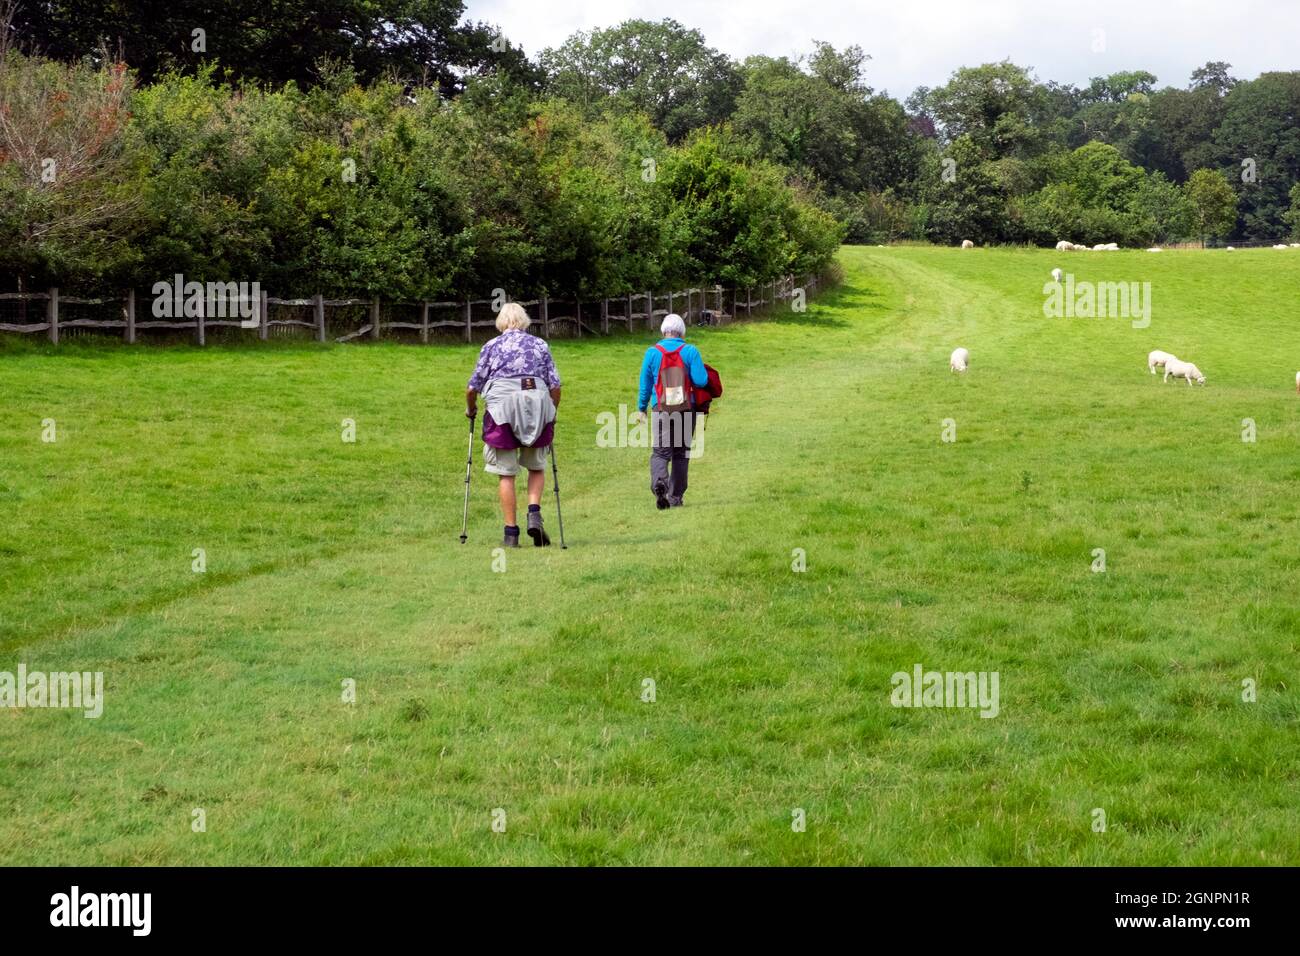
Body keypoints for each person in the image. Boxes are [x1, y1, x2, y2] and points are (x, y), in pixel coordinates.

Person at [465, 302, 562, 547]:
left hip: (502, 409)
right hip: (537, 405)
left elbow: (472, 388)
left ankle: (511, 534)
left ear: (501, 322)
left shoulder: (491, 346)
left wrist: (471, 409)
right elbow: (555, 386)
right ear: (524, 321)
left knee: (506, 472)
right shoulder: (540, 345)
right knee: (536, 466)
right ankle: (534, 513)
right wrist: (552, 411)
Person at [637, 314, 709, 509]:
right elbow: (702, 381)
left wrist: (641, 408)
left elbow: (645, 385)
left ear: (663, 330)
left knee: (660, 452)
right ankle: (675, 497)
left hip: (660, 409)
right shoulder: (690, 351)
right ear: (682, 332)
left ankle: (660, 482)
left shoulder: (652, 353)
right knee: (680, 453)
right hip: (686, 408)